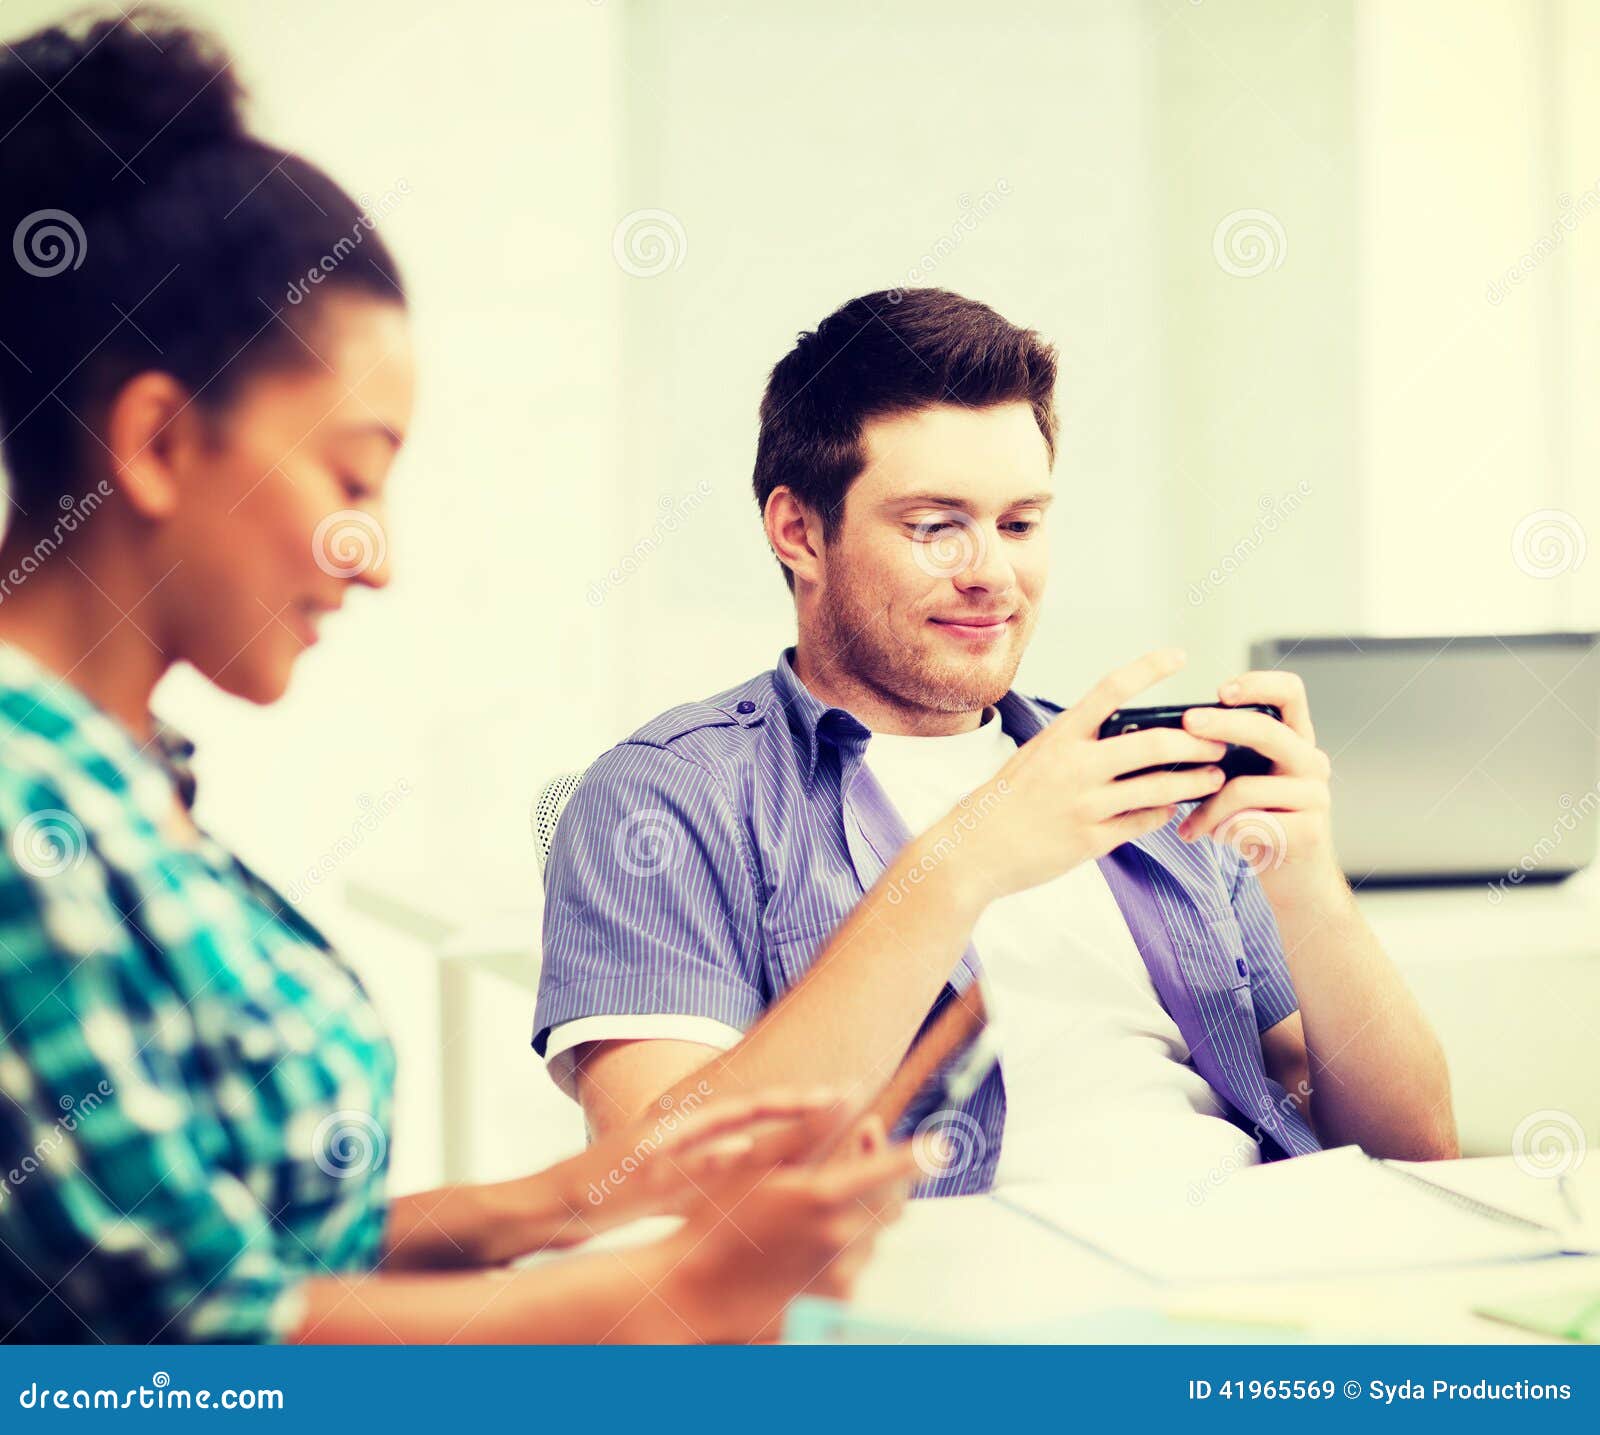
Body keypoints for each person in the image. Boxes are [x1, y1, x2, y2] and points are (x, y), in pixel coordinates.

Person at [0, 9, 913, 1345]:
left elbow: (225, 1231)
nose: (378, 559)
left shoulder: (122, 779)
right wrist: (676, 1288)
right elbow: (196, 1348)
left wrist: (562, 1198)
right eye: (353, 474)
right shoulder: (28, 813)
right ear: (156, 439)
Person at [533, 288, 1459, 1194]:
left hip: (1257, 1276)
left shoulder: (1137, 779)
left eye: (1020, 523)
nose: (992, 573)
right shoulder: (665, 797)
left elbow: (1416, 1149)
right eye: (936, 526)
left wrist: (1306, 886)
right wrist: (966, 864)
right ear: (799, 533)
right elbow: (648, 1186)